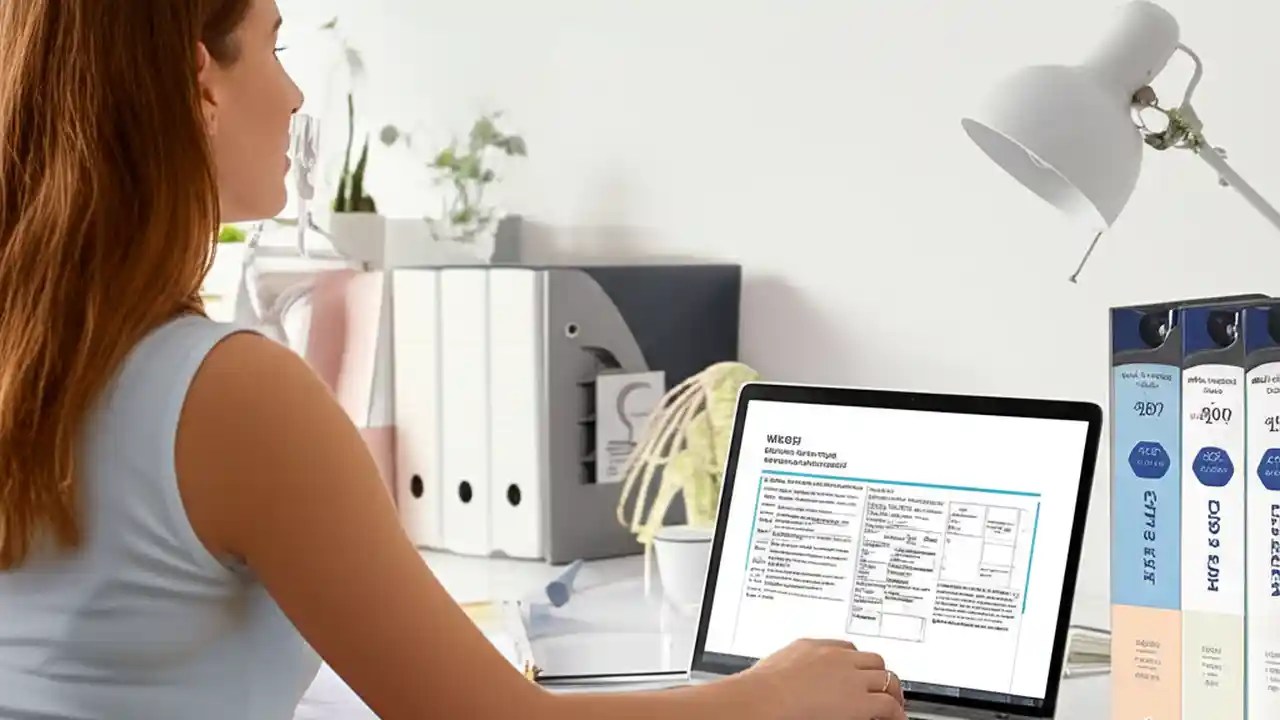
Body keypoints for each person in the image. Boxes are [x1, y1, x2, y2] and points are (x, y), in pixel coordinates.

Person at [0, 1, 907, 719]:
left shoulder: (36, 358)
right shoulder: (229, 393)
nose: (295, 95)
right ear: (200, 80)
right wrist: (771, 698)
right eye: (273, 45)